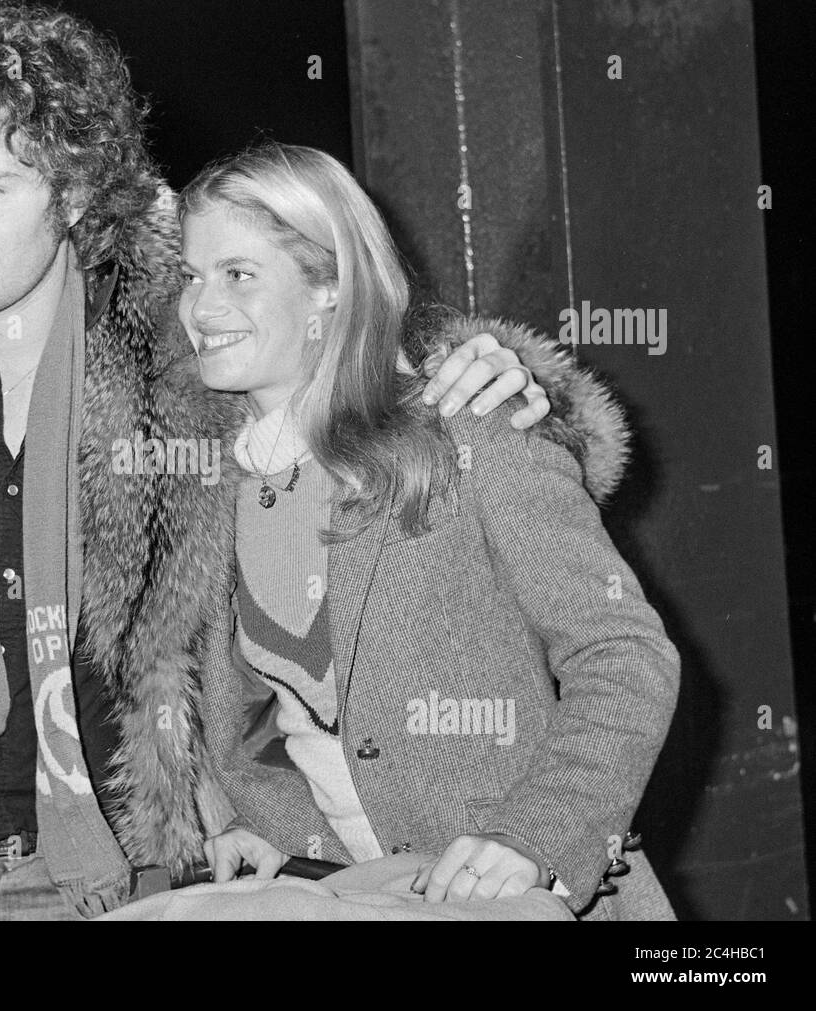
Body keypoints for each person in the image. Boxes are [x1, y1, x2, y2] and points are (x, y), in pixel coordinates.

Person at [0, 2, 579, 921]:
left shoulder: (177, 326)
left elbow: (348, 344)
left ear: (69, 192)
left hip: (113, 873)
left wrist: (509, 376)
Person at [183, 143, 679, 920]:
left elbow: (625, 655)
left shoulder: (470, 424)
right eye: (191, 276)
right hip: (344, 895)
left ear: (329, 287)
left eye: (237, 274)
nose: (200, 308)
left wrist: (534, 838)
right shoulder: (216, 484)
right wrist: (263, 821)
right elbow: (261, 722)